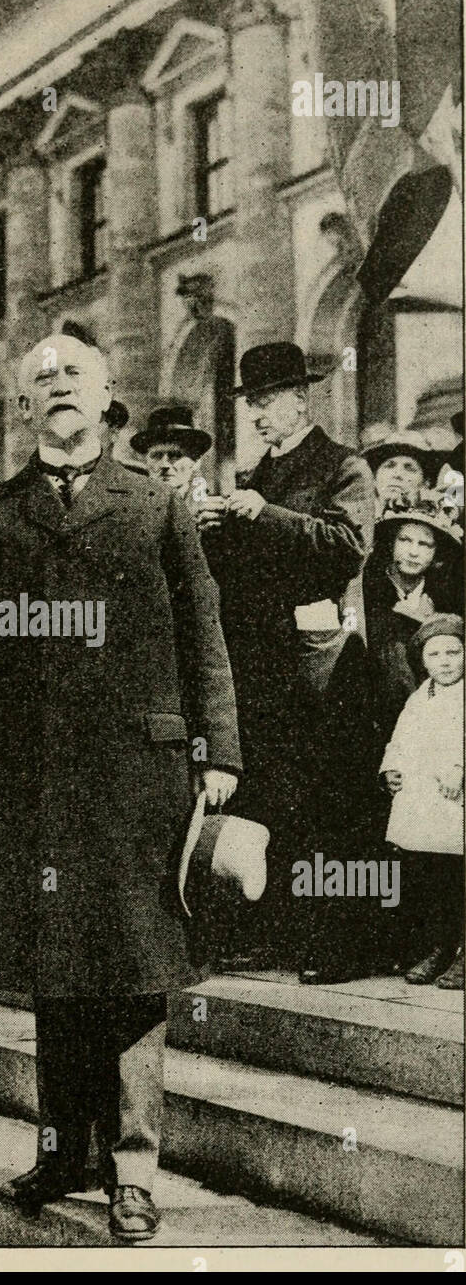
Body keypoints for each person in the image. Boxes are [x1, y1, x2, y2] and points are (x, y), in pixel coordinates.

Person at [0, 329, 240, 1240]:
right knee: (56, 968)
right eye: (40, 380)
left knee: (136, 968)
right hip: (32, 778)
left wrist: (219, 754)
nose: (56, 388)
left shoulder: (157, 504)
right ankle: (63, 1150)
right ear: (24, 409)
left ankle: (132, 1169)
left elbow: (202, 637)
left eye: (73, 376)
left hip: (141, 774)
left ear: (103, 397)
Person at [198, 342, 377, 983]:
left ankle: (333, 942)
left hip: (317, 669)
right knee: (268, 798)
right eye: (251, 405)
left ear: (301, 400)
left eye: (266, 403)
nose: (257, 417)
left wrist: (265, 515)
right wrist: (212, 533)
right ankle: (271, 934)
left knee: (322, 803)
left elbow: (348, 548)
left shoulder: (343, 466)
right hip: (259, 664)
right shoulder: (259, 474)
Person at [380, 614, 464, 988]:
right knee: (434, 878)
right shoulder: (419, 696)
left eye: (453, 652)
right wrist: (390, 769)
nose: (445, 661)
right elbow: (400, 739)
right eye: (435, 654)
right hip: (426, 806)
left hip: (456, 800)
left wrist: (461, 767)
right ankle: (440, 947)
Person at [364, 500, 464, 746]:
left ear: (436, 553)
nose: (413, 552)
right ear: (391, 544)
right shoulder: (366, 589)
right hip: (373, 707)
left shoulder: (446, 599)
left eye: (425, 544)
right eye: (405, 540)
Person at [129, 407, 212, 505]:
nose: (165, 465)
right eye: (156, 456)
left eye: (175, 456)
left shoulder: (209, 509)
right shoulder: (133, 509)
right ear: (145, 460)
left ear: (196, 462)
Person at [361, 432, 441, 516]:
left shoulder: (434, 525)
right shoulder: (354, 522)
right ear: (374, 478)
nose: (397, 475)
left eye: (409, 469)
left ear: (425, 483)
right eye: (389, 466)